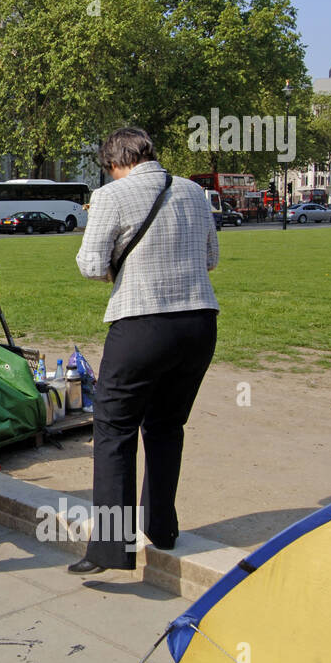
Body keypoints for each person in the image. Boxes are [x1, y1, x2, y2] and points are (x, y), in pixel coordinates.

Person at [70, 127, 219, 574]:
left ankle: (111, 548)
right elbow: (211, 257)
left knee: (113, 430)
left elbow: (91, 264)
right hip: (198, 322)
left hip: (141, 322)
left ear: (113, 162)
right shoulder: (194, 191)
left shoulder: (112, 195)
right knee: (167, 426)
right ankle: (163, 527)